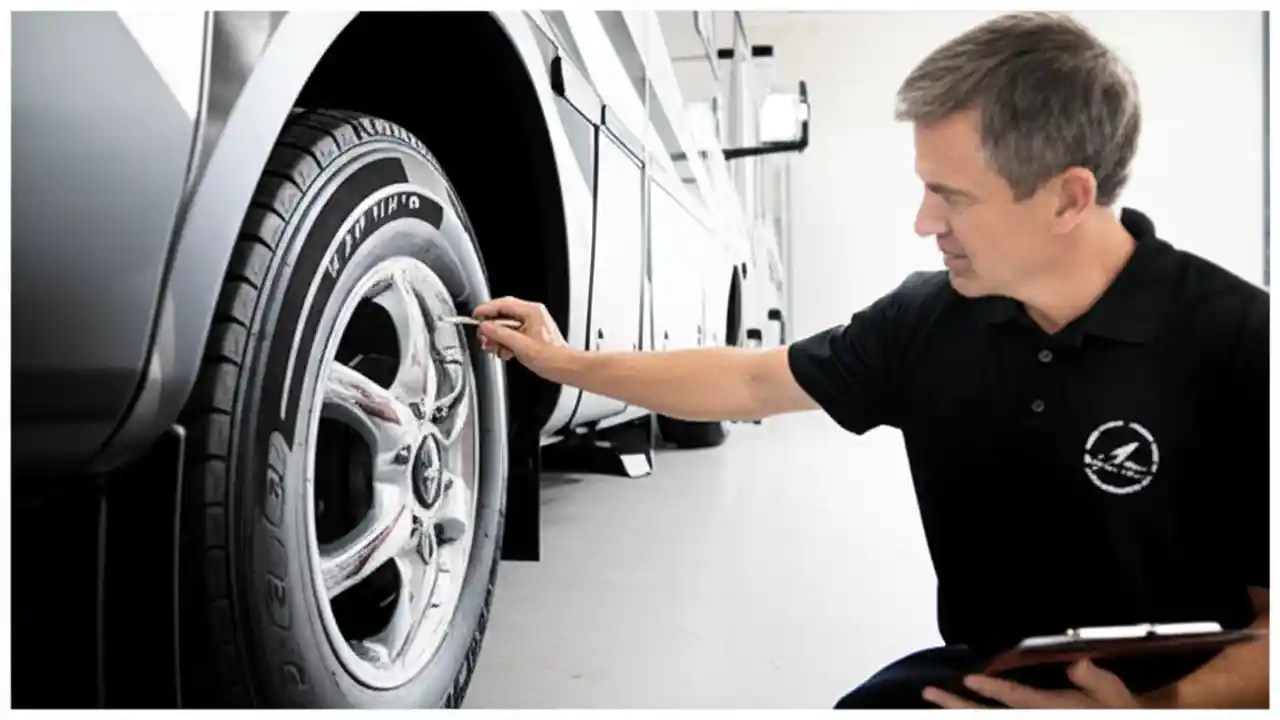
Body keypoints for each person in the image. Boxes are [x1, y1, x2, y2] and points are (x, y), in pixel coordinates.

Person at [470, 11, 1269, 709]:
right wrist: (568, 364)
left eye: (951, 195)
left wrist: (1157, 708)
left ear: (1067, 197)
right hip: (991, 679)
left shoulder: (1241, 342)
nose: (924, 221)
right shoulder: (930, 321)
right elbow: (751, 377)